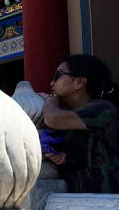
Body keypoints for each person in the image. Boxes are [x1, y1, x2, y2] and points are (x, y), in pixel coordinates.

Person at [41, 54, 119, 194]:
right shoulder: (67, 115)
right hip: (80, 200)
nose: (52, 82)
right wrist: (60, 158)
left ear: (79, 82)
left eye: (58, 75)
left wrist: (50, 99)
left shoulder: (103, 110)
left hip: (109, 198)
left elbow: (52, 118)